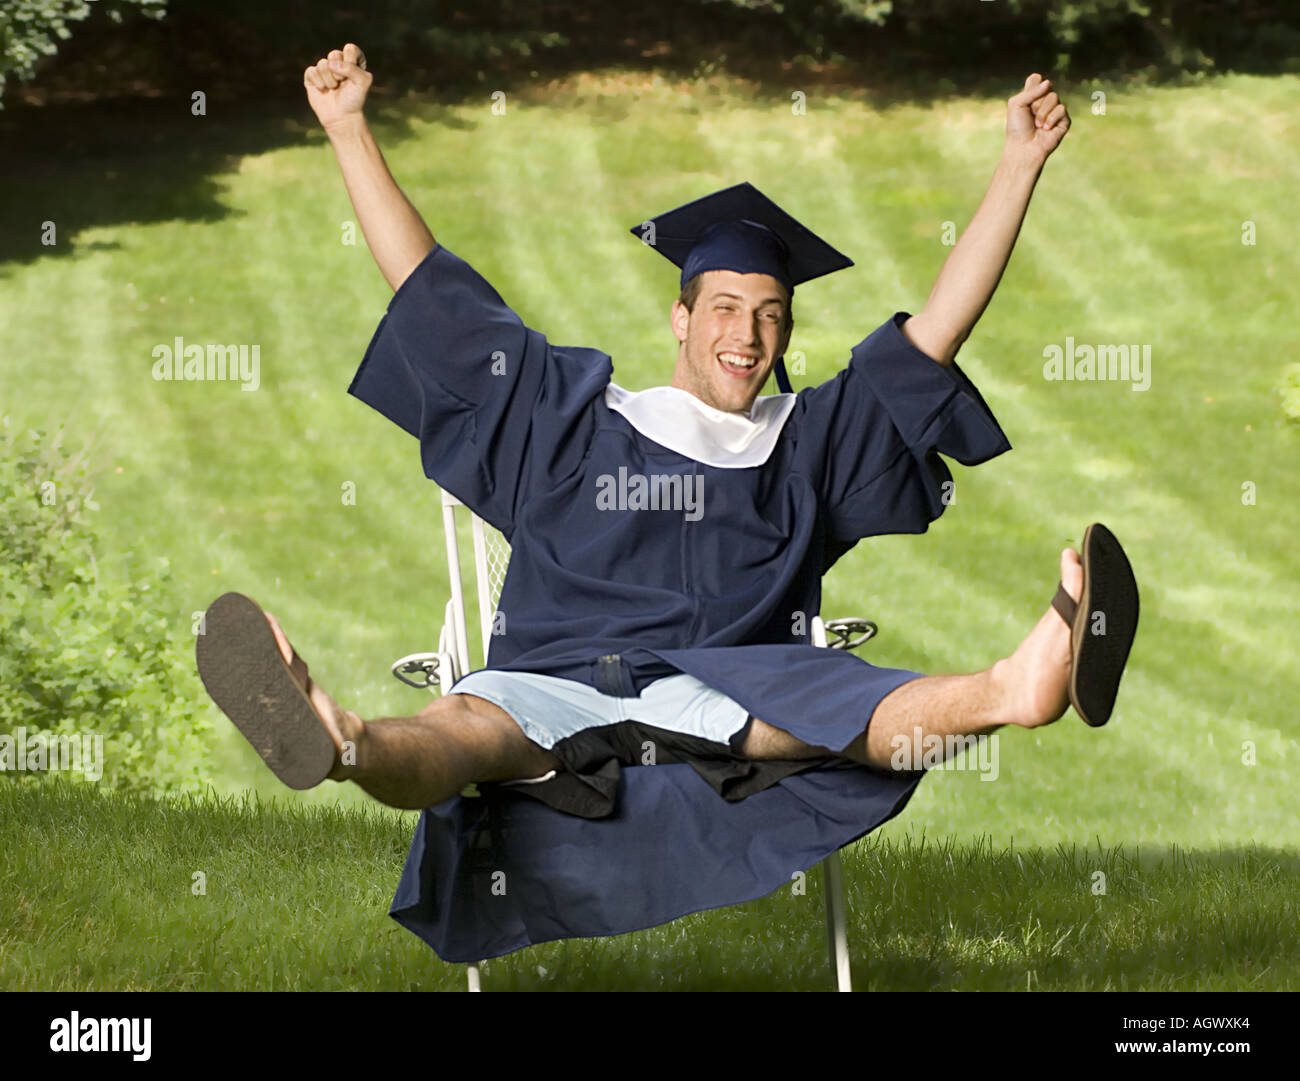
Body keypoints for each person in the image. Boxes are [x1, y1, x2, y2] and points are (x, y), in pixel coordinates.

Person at [196, 43, 1138, 963]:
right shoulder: (572, 413)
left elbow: (932, 335)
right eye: (725, 306)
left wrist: (1018, 164)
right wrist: (349, 128)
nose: (748, 333)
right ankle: (342, 737)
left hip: (728, 691)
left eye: (771, 315)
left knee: (837, 703)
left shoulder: (802, 444)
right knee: (464, 728)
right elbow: (432, 294)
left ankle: (1016, 687)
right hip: (553, 679)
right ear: (681, 316)